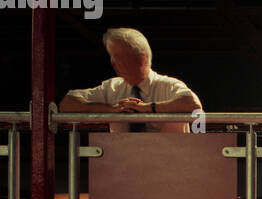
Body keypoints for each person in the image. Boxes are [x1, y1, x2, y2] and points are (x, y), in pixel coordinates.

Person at [59, 28, 201, 134]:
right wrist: (111, 109)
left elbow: (193, 104)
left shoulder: (167, 85)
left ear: (142, 58)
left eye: (121, 56)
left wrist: (148, 108)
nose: (114, 62)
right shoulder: (112, 87)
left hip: (168, 166)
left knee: (177, 118)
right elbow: (67, 104)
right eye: (113, 56)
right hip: (124, 165)